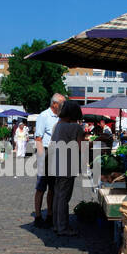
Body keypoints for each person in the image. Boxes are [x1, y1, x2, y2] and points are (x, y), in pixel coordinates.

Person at [48, 100, 86, 236]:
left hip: (56, 164)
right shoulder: (76, 128)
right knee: (64, 197)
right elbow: (82, 148)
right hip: (68, 165)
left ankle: (56, 225)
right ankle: (63, 227)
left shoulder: (57, 126)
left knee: (58, 195)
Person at [32, 93, 64, 228]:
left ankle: (50, 215)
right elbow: (38, 138)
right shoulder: (44, 116)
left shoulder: (60, 117)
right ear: (54, 104)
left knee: (53, 187)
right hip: (45, 152)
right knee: (41, 187)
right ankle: (38, 216)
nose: (64, 106)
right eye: (62, 104)